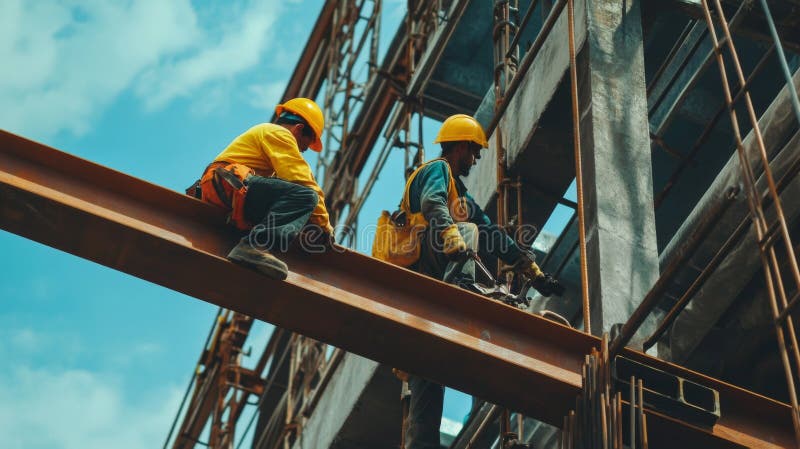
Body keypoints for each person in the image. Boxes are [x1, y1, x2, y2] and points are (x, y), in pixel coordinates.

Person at [399, 114, 562, 449]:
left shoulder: (460, 196)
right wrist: (451, 235)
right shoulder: (437, 170)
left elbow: (491, 232)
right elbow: (432, 204)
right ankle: (460, 287)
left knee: (428, 378)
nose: (474, 160)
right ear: (460, 146)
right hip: (418, 257)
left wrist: (532, 271)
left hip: (429, 270)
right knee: (467, 230)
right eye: (473, 152)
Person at [193, 97, 334, 280]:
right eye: (302, 146)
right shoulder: (277, 133)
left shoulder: (266, 145)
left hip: (229, 190)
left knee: (292, 203)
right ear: (298, 129)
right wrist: (325, 226)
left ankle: (251, 249)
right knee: (306, 196)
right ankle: (255, 247)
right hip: (230, 185)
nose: (298, 151)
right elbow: (302, 181)